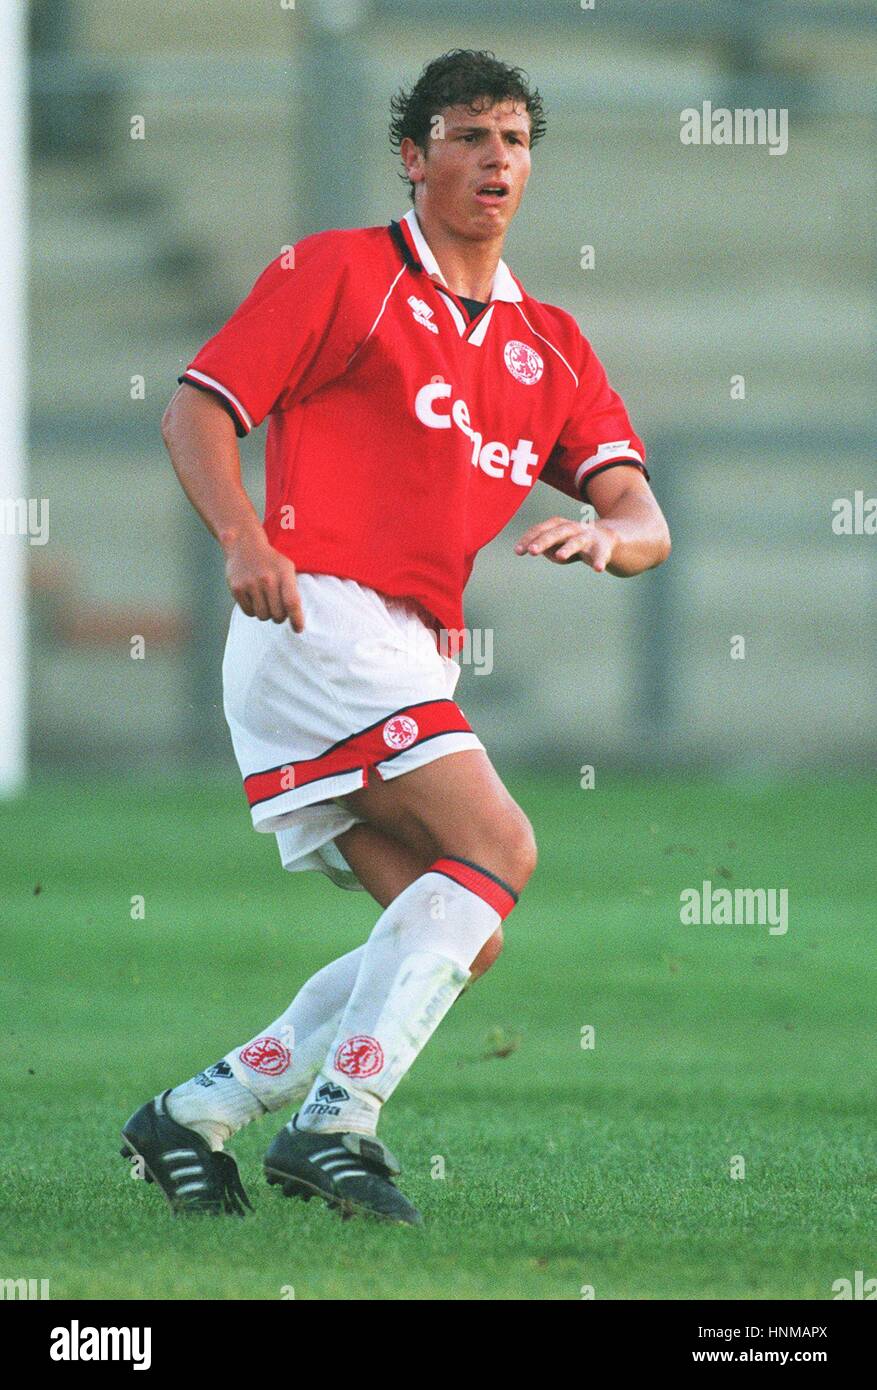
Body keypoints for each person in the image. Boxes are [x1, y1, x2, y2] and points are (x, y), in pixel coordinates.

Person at [121, 49, 671, 1225]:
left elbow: (642, 513)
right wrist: (242, 539)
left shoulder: (553, 343)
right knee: (500, 844)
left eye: (515, 139)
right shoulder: (344, 275)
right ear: (413, 157)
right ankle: (336, 1122)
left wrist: (607, 538)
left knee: (450, 934)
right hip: (314, 612)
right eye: (469, 136)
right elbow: (199, 406)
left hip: (404, 649)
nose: (496, 159)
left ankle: (200, 1108)